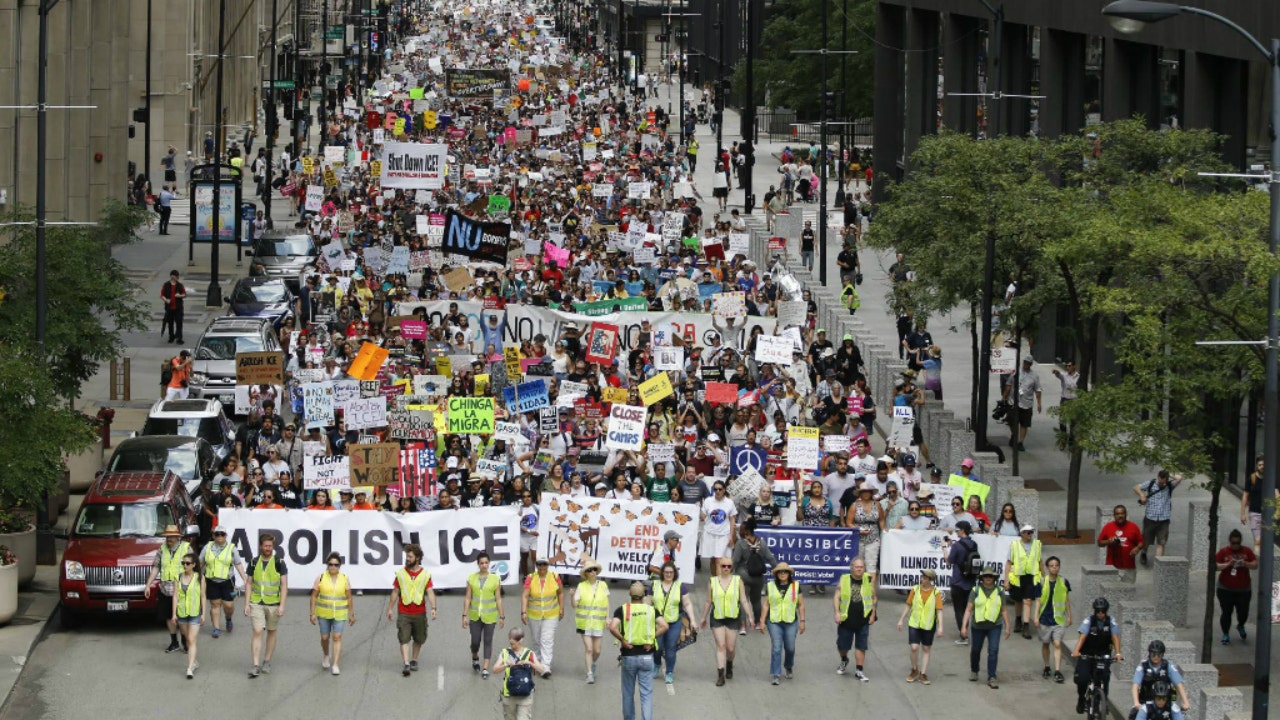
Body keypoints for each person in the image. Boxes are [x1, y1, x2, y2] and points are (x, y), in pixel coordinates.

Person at [610, 581, 667, 720]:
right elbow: (664, 626)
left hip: (628, 656)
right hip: (647, 656)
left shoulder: (622, 609)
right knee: (646, 694)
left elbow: (612, 627)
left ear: (630, 594)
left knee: (628, 693)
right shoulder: (651, 610)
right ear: (644, 595)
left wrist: (623, 640)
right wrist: (652, 639)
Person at [701, 555, 755, 687]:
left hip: (733, 617)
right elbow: (708, 601)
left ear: (732, 568)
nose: (726, 568)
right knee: (721, 646)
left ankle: (729, 663)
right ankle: (720, 675)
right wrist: (703, 617)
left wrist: (750, 616)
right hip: (717, 617)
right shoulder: (712, 582)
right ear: (719, 567)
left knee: (730, 648)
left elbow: (743, 600)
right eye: (723, 566)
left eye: (729, 566)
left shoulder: (738, 581)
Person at [387, 543, 436, 677]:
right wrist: (390, 608)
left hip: (419, 612)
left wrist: (433, 608)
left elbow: (430, 591)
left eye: (410, 556)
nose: (407, 559)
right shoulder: (401, 574)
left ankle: (414, 659)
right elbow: (395, 591)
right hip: (404, 612)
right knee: (404, 638)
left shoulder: (425, 574)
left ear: (418, 558)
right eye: (407, 556)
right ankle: (407, 663)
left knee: (419, 638)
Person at [143, 524, 192, 653]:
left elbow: (194, 567)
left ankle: (185, 640)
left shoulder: (186, 548)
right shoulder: (162, 549)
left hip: (182, 589)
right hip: (165, 589)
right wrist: (148, 585)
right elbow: (156, 567)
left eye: (171, 537)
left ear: (177, 537)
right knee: (169, 617)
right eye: (167, 536)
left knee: (181, 618)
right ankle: (174, 642)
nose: (169, 539)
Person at [961, 565, 1012, 689]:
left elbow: (1004, 610)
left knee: (993, 651)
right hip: (977, 626)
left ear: (994, 578)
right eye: (986, 576)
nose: (988, 578)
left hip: (995, 625)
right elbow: (968, 610)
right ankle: (974, 670)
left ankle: (992, 677)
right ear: (982, 578)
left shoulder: (999, 591)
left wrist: (1008, 626)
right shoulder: (975, 590)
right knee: (976, 650)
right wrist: (964, 627)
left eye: (991, 576)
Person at [245, 533, 289, 678]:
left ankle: (267, 660)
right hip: (256, 601)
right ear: (260, 546)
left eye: (270, 546)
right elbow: (249, 583)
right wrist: (246, 604)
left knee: (271, 631)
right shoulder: (254, 561)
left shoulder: (279, 561)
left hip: (273, 603)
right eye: (266, 546)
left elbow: (284, 585)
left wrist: (282, 605)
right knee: (258, 631)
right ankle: (255, 665)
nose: (268, 548)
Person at [1071, 597, 1123, 714]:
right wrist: (1076, 651)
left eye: (1103, 611)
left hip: (1103, 654)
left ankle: (1104, 701)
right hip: (1087, 654)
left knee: (1105, 676)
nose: (1100, 613)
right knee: (1082, 679)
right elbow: (1083, 636)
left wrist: (1118, 653)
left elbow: (1115, 637)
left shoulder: (1111, 621)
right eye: (1098, 611)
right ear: (1095, 611)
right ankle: (1081, 699)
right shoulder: (1089, 621)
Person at [758, 561, 805, 685]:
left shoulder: (796, 586)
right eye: (780, 572)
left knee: (790, 647)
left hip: (791, 621)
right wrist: (762, 621)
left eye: (785, 572)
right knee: (777, 648)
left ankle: (788, 666)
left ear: (789, 573)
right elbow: (766, 605)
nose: (783, 574)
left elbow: (801, 605)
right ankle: (776, 674)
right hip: (774, 621)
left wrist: (802, 621)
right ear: (776, 574)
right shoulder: (770, 586)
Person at [309, 551, 354, 675]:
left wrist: (351, 614)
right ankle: (326, 654)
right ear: (327, 565)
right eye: (331, 564)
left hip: (340, 613)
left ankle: (335, 664)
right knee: (325, 637)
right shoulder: (321, 577)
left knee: (337, 637)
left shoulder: (344, 578)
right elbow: (313, 596)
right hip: (323, 613)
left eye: (336, 565)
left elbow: (349, 597)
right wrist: (312, 613)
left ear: (339, 566)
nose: (333, 567)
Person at [897, 568, 944, 685]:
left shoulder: (936, 592)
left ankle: (923, 674)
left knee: (926, 649)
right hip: (914, 623)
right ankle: (914, 669)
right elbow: (908, 605)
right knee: (914, 647)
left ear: (930, 580)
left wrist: (940, 627)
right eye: (922, 577)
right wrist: (901, 620)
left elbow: (939, 610)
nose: (922, 579)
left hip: (928, 625)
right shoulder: (915, 589)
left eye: (925, 577)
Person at [201, 527, 249, 639]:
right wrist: (196, 577)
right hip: (211, 579)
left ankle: (228, 618)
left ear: (226, 536)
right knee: (215, 604)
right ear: (213, 536)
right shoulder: (207, 547)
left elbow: (238, 564)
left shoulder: (231, 548)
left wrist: (245, 578)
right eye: (217, 534)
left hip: (227, 581)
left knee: (228, 605)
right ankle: (216, 628)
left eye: (222, 534)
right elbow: (200, 563)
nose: (219, 537)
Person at [651, 561, 694, 684]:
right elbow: (647, 604)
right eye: (666, 572)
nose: (668, 574)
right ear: (662, 573)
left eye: (671, 572)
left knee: (670, 648)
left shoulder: (680, 586)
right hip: (658, 622)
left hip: (674, 622)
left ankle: (669, 672)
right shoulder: (654, 585)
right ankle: (657, 664)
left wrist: (693, 621)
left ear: (674, 573)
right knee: (657, 647)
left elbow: (687, 604)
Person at [463, 551, 505, 678]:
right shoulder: (471, 578)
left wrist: (502, 616)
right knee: (475, 641)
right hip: (475, 615)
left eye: (486, 563)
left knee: (488, 640)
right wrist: (464, 615)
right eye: (482, 563)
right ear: (478, 564)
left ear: (489, 564)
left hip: (490, 616)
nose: (484, 565)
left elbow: (498, 599)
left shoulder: (495, 579)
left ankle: (486, 667)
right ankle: (475, 656)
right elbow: (468, 598)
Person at [834, 557, 876, 681]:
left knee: (861, 645)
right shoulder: (844, 579)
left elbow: (874, 598)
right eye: (857, 567)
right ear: (852, 567)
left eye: (861, 567)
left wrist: (873, 613)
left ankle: (859, 670)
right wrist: (837, 613)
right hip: (846, 619)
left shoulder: (868, 579)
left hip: (863, 619)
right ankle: (844, 659)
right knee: (843, 646)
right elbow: (837, 597)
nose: (859, 569)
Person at [1032, 555, 1073, 683]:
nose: (1054, 568)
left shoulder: (1064, 582)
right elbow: (1038, 600)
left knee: (1057, 643)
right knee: (1045, 643)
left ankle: (1057, 670)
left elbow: (1066, 599)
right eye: (1051, 566)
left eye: (1056, 565)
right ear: (1047, 568)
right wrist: (1036, 616)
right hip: (1044, 618)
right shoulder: (1042, 582)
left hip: (1058, 619)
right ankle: (1047, 666)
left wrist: (1069, 615)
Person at [521, 558, 563, 677]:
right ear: (536, 565)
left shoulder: (554, 576)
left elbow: (560, 593)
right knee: (537, 639)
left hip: (551, 614)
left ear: (548, 565)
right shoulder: (531, 577)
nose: (542, 567)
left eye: (544, 564)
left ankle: (546, 666)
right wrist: (523, 612)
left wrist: (561, 608)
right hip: (534, 614)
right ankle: (537, 661)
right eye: (539, 565)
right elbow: (525, 596)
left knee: (547, 639)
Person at [493, 628, 547, 720]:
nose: (512, 645)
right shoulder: (505, 653)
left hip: (525, 695)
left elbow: (542, 669)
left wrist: (530, 663)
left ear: (521, 640)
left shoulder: (529, 653)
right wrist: (506, 665)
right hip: (509, 695)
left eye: (513, 643)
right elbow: (495, 669)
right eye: (510, 643)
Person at [731, 518, 775, 629]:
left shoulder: (740, 544)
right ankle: (758, 622)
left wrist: (728, 575)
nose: (739, 531)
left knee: (742, 599)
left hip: (743, 576)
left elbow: (735, 561)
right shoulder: (762, 542)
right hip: (758, 576)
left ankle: (743, 624)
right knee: (756, 600)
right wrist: (778, 571)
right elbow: (770, 558)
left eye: (741, 530)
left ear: (746, 531)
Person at [1215, 529, 1257, 645]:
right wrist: (1228, 564)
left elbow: (1255, 564)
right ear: (1230, 542)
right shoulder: (1223, 552)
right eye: (1233, 543)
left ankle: (1241, 625)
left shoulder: (1247, 551)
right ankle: (1226, 634)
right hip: (1225, 588)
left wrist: (1245, 564)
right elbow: (1215, 566)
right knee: (1226, 612)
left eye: (1238, 543)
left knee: (1243, 612)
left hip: (1243, 589)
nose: (1235, 545)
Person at [571, 560, 609, 683]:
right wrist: (572, 596)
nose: (592, 572)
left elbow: (606, 603)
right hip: (585, 622)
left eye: (594, 569)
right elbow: (574, 604)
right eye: (589, 570)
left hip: (598, 622)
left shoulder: (603, 585)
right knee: (589, 648)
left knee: (597, 650)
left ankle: (592, 664)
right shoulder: (581, 586)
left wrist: (607, 617)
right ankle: (589, 674)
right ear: (586, 574)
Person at [1130, 640, 1191, 718]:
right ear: (1149, 654)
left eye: (1159, 655)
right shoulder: (1143, 667)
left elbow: (1179, 684)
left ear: (1162, 655)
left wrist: (1186, 702)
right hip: (1145, 701)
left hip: (1164, 701)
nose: (1156, 657)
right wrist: (1136, 702)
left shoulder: (1168, 666)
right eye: (1153, 654)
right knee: (1133, 714)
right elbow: (1135, 686)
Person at [1133, 470, 1182, 565]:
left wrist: (1169, 474)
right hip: (1150, 518)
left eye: (1163, 482)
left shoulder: (1170, 486)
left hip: (1164, 519)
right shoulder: (1150, 483)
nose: (1161, 483)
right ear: (1158, 477)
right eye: (1160, 481)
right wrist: (1142, 495)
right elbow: (1135, 487)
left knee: (1161, 542)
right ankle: (1144, 552)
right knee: (1145, 540)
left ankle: (1158, 564)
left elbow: (1179, 478)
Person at [1004, 523, 1043, 638]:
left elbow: (1040, 561)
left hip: (1031, 576)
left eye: (1031, 532)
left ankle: (1026, 626)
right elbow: (1008, 563)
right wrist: (1006, 580)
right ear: (1022, 533)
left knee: (1028, 601)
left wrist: (1044, 577)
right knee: (1018, 601)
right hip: (1017, 577)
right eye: (1028, 532)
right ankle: (1018, 619)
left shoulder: (1037, 544)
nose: (1030, 534)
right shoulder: (1014, 545)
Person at [171, 552, 206, 678]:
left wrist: (203, 613)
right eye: (183, 563)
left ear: (193, 565)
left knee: (191, 639)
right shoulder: (178, 577)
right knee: (186, 638)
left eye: (187, 563)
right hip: (182, 613)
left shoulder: (199, 578)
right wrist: (174, 614)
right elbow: (175, 596)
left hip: (195, 613)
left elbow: (203, 596)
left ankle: (190, 667)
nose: (185, 565)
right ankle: (194, 662)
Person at [946, 520, 979, 645]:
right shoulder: (974, 544)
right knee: (967, 609)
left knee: (958, 609)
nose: (956, 532)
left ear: (962, 530)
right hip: (970, 581)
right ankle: (966, 629)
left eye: (957, 530)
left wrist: (945, 547)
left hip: (958, 581)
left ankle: (963, 634)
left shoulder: (957, 546)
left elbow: (949, 561)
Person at [1002, 356, 1042, 451]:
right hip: (1014, 402)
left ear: (1031, 364)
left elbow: (1038, 390)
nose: (1026, 364)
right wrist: (1004, 397)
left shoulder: (1034, 376)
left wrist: (1039, 403)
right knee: (1011, 421)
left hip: (1026, 403)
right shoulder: (1015, 372)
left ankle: (1020, 442)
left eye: (1028, 363)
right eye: (1025, 362)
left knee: (1024, 424)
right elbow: (1008, 385)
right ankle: (1013, 434)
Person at [700, 481, 738, 574]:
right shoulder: (708, 501)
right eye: (715, 489)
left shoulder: (729, 503)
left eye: (720, 489)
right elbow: (702, 516)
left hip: (723, 535)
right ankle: (714, 580)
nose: (717, 491)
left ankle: (719, 585)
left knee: (719, 560)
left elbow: (732, 519)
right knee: (713, 560)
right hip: (710, 534)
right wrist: (704, 517)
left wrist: (731, 536)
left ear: (724, 490)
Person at [1098, 505, 1145, 579]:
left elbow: (1141, 542)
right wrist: (1109, 541)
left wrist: (1137, 548)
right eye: (1117, 514)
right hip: (1112, 566)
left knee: (1129, 588)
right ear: (1114, 515)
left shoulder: (1134, 527)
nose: (1120, 516)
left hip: (1129, 566)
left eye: (1122, 513)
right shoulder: (1108, 527)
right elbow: (1100, 543)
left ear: (1126, 514)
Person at [1240, 457, 1277, 551]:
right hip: (1255, 513)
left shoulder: (1271, 478)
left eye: (1263, 465)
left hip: (1269, 514)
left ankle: (1262, 561)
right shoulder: (1252, 478)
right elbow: (1245, 496)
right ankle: (1259, 559)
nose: (1262, 467)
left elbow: (1277, 495)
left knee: (1266, 541)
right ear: (1257, 466)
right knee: (1258, 539)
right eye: (1260, 465)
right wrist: (1242, 513)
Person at [159, 270, 185, 345]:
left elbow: (184, 294)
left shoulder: (180, 285)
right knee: (170, 323)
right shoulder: (166, 285)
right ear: (173, 277)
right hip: (169, 308)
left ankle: (179, 338)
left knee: (179, 323)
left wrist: (179, 295)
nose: (178, 278)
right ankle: (171, 337)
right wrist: (166, 300)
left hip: (178, 308)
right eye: (176, 277)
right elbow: (162, 295)